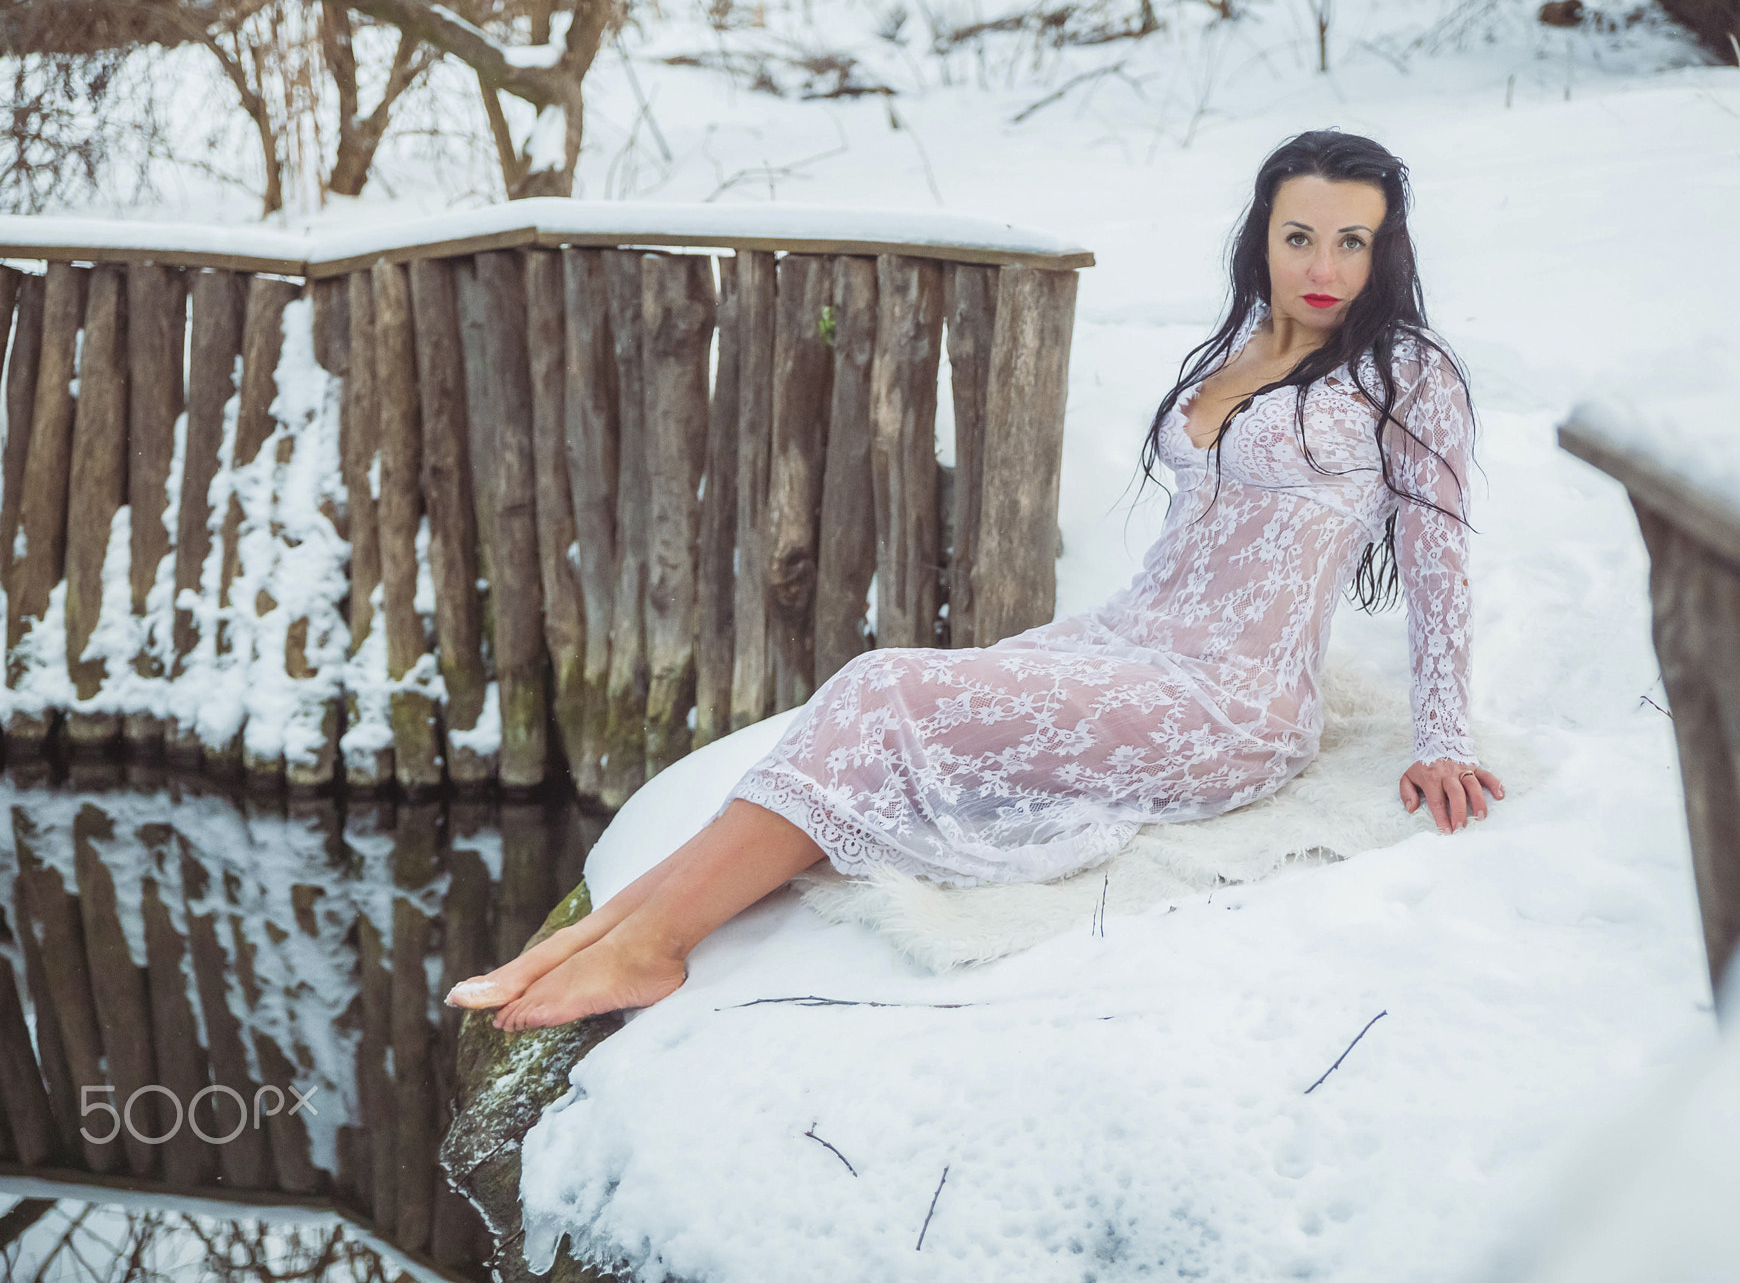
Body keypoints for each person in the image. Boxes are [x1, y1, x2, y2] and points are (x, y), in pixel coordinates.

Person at [448, 129, 1504, 1032]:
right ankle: (609, 925)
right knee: (856, 704)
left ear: (1386, 249)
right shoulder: (1233, 344)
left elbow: (1439, 558)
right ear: (1262, 238)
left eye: (1352, 240)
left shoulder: (1404, 375)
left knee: (883, 688)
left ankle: (651, 946)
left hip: (1233, 702)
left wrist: (1443, 737)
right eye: (1299, 235)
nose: (1323, 263)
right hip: (1131, 638)